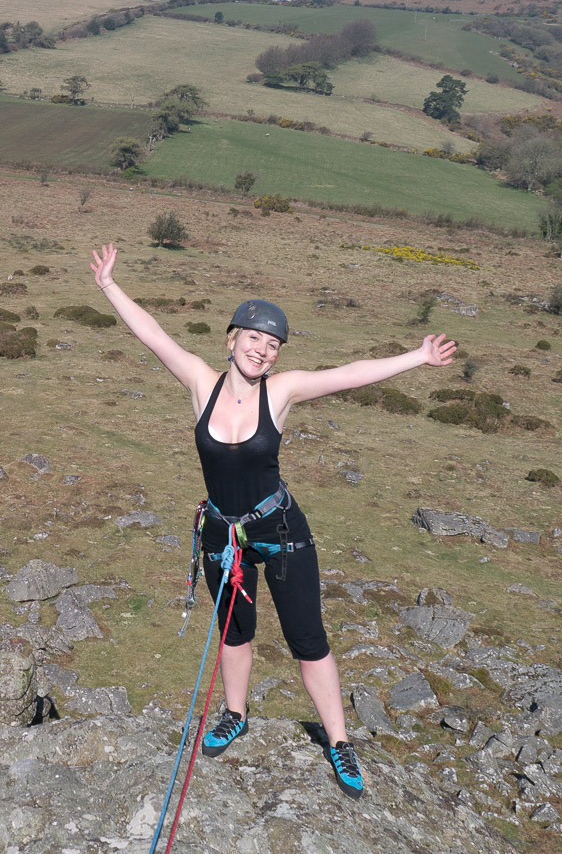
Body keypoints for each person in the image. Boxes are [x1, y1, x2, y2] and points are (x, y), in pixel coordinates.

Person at [90, 243, 456, 799]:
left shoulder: (281, 392)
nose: (262, 350)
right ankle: (235, 713)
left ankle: (337, 741)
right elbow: (154, 335)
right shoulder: (199, 382)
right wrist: (109, 286)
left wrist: (417, 357)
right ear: (232, 340)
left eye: (273, 344)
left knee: (308, 639)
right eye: (254, 338)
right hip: (221, 531)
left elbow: (350, 374)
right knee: (235, 633)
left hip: (279, 529)